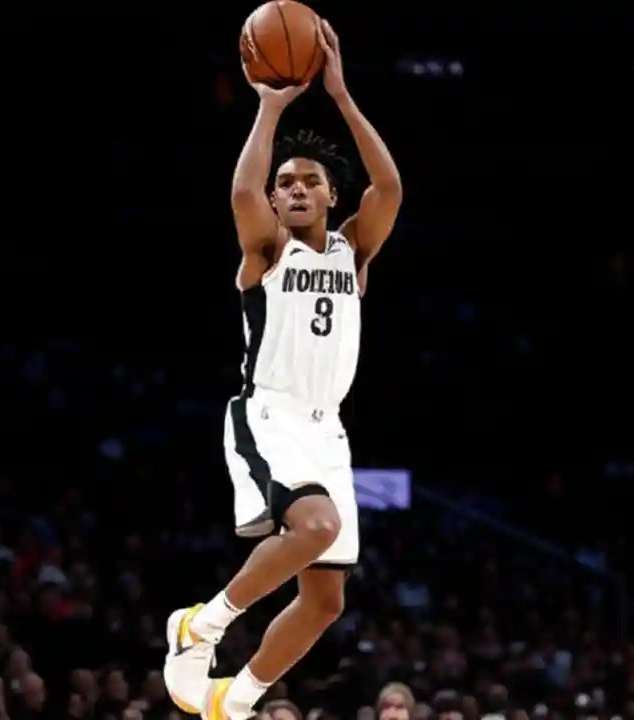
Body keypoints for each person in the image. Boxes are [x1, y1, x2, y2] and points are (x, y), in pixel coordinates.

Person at [163, 17, 402, 720]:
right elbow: (242, 196)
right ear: (274, 202)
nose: (294, 189)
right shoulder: (267, 253)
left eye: (310, 182)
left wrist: (341, 93)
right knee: (318, 529)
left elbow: (388, 188)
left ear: (332, 196)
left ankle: (234, 700)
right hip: (268, 413)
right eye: (285, 183)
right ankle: (200, 624)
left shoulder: (352, 255)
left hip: (328, 431)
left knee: (327, 600)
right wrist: (269, 106)